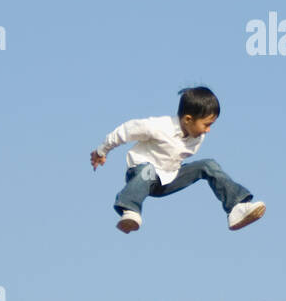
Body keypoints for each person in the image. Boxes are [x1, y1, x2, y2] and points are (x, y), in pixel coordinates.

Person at [90, 86, 266, 233]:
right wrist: (101, 151)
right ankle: (130, 209)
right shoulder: (158, 127)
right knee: (148, 170)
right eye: (206, 124)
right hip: (141, 176)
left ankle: (236, 208)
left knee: (208, 165)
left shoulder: (197, 136)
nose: (208, 130)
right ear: (188, 119)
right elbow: (125, 131)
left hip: (169, 179)